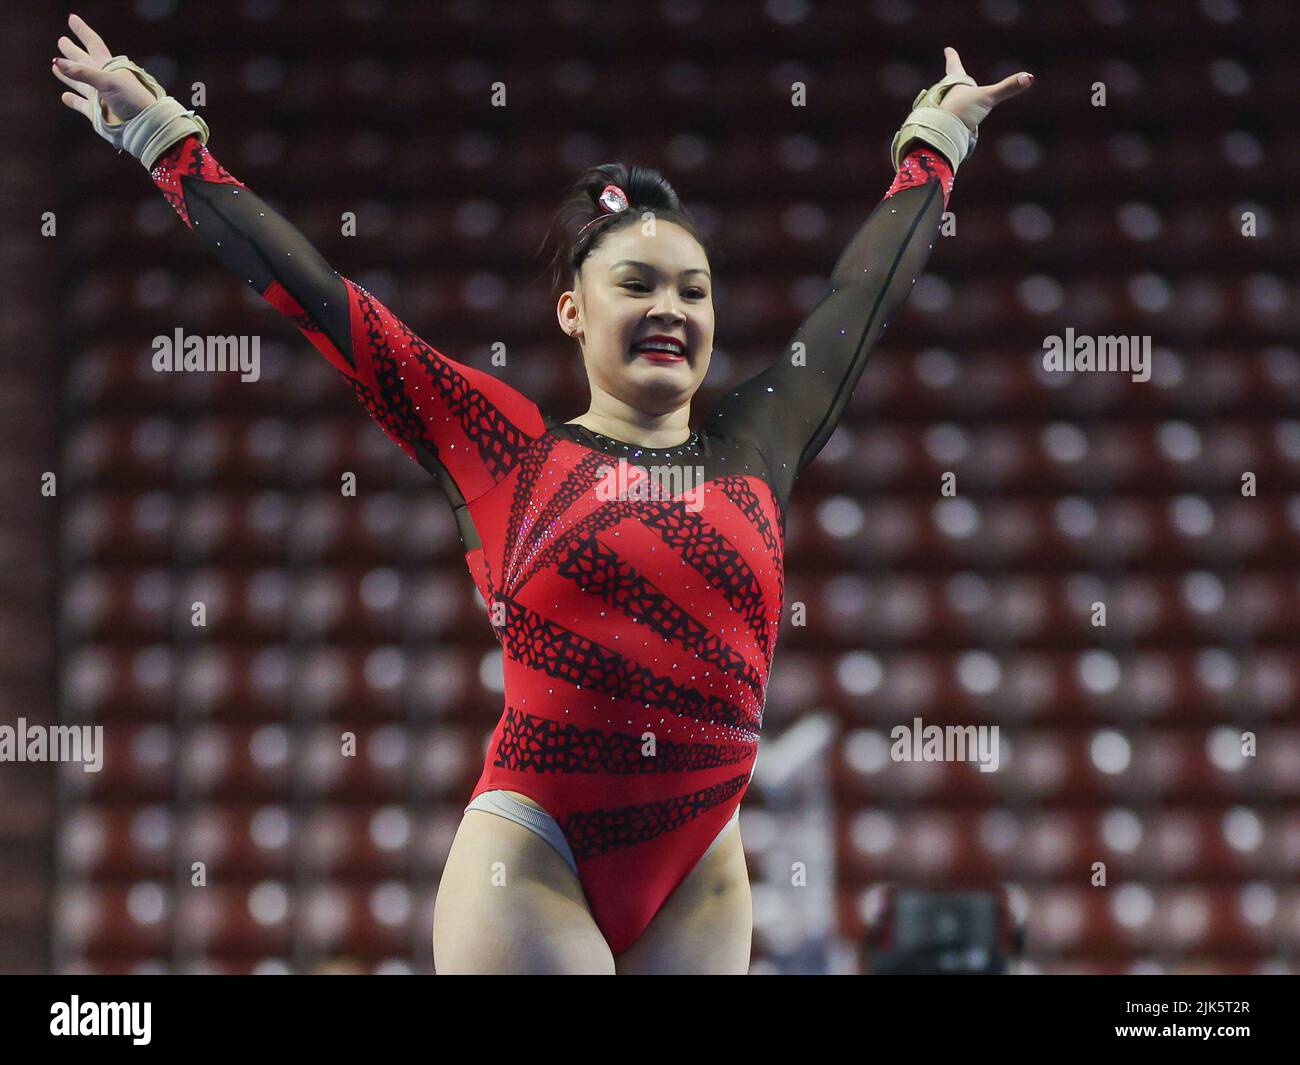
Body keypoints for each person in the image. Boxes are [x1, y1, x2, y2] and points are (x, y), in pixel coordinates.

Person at [52, 12, 1033, 974]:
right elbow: (318, 296)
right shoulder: (503, 447)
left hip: (700, 869)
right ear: (571, 309)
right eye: (636, 285)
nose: (670, 310)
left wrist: (936, 141)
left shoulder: (760, 441)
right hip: (533, 860)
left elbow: (860, 297)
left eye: (692, 290)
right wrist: (159, 135)